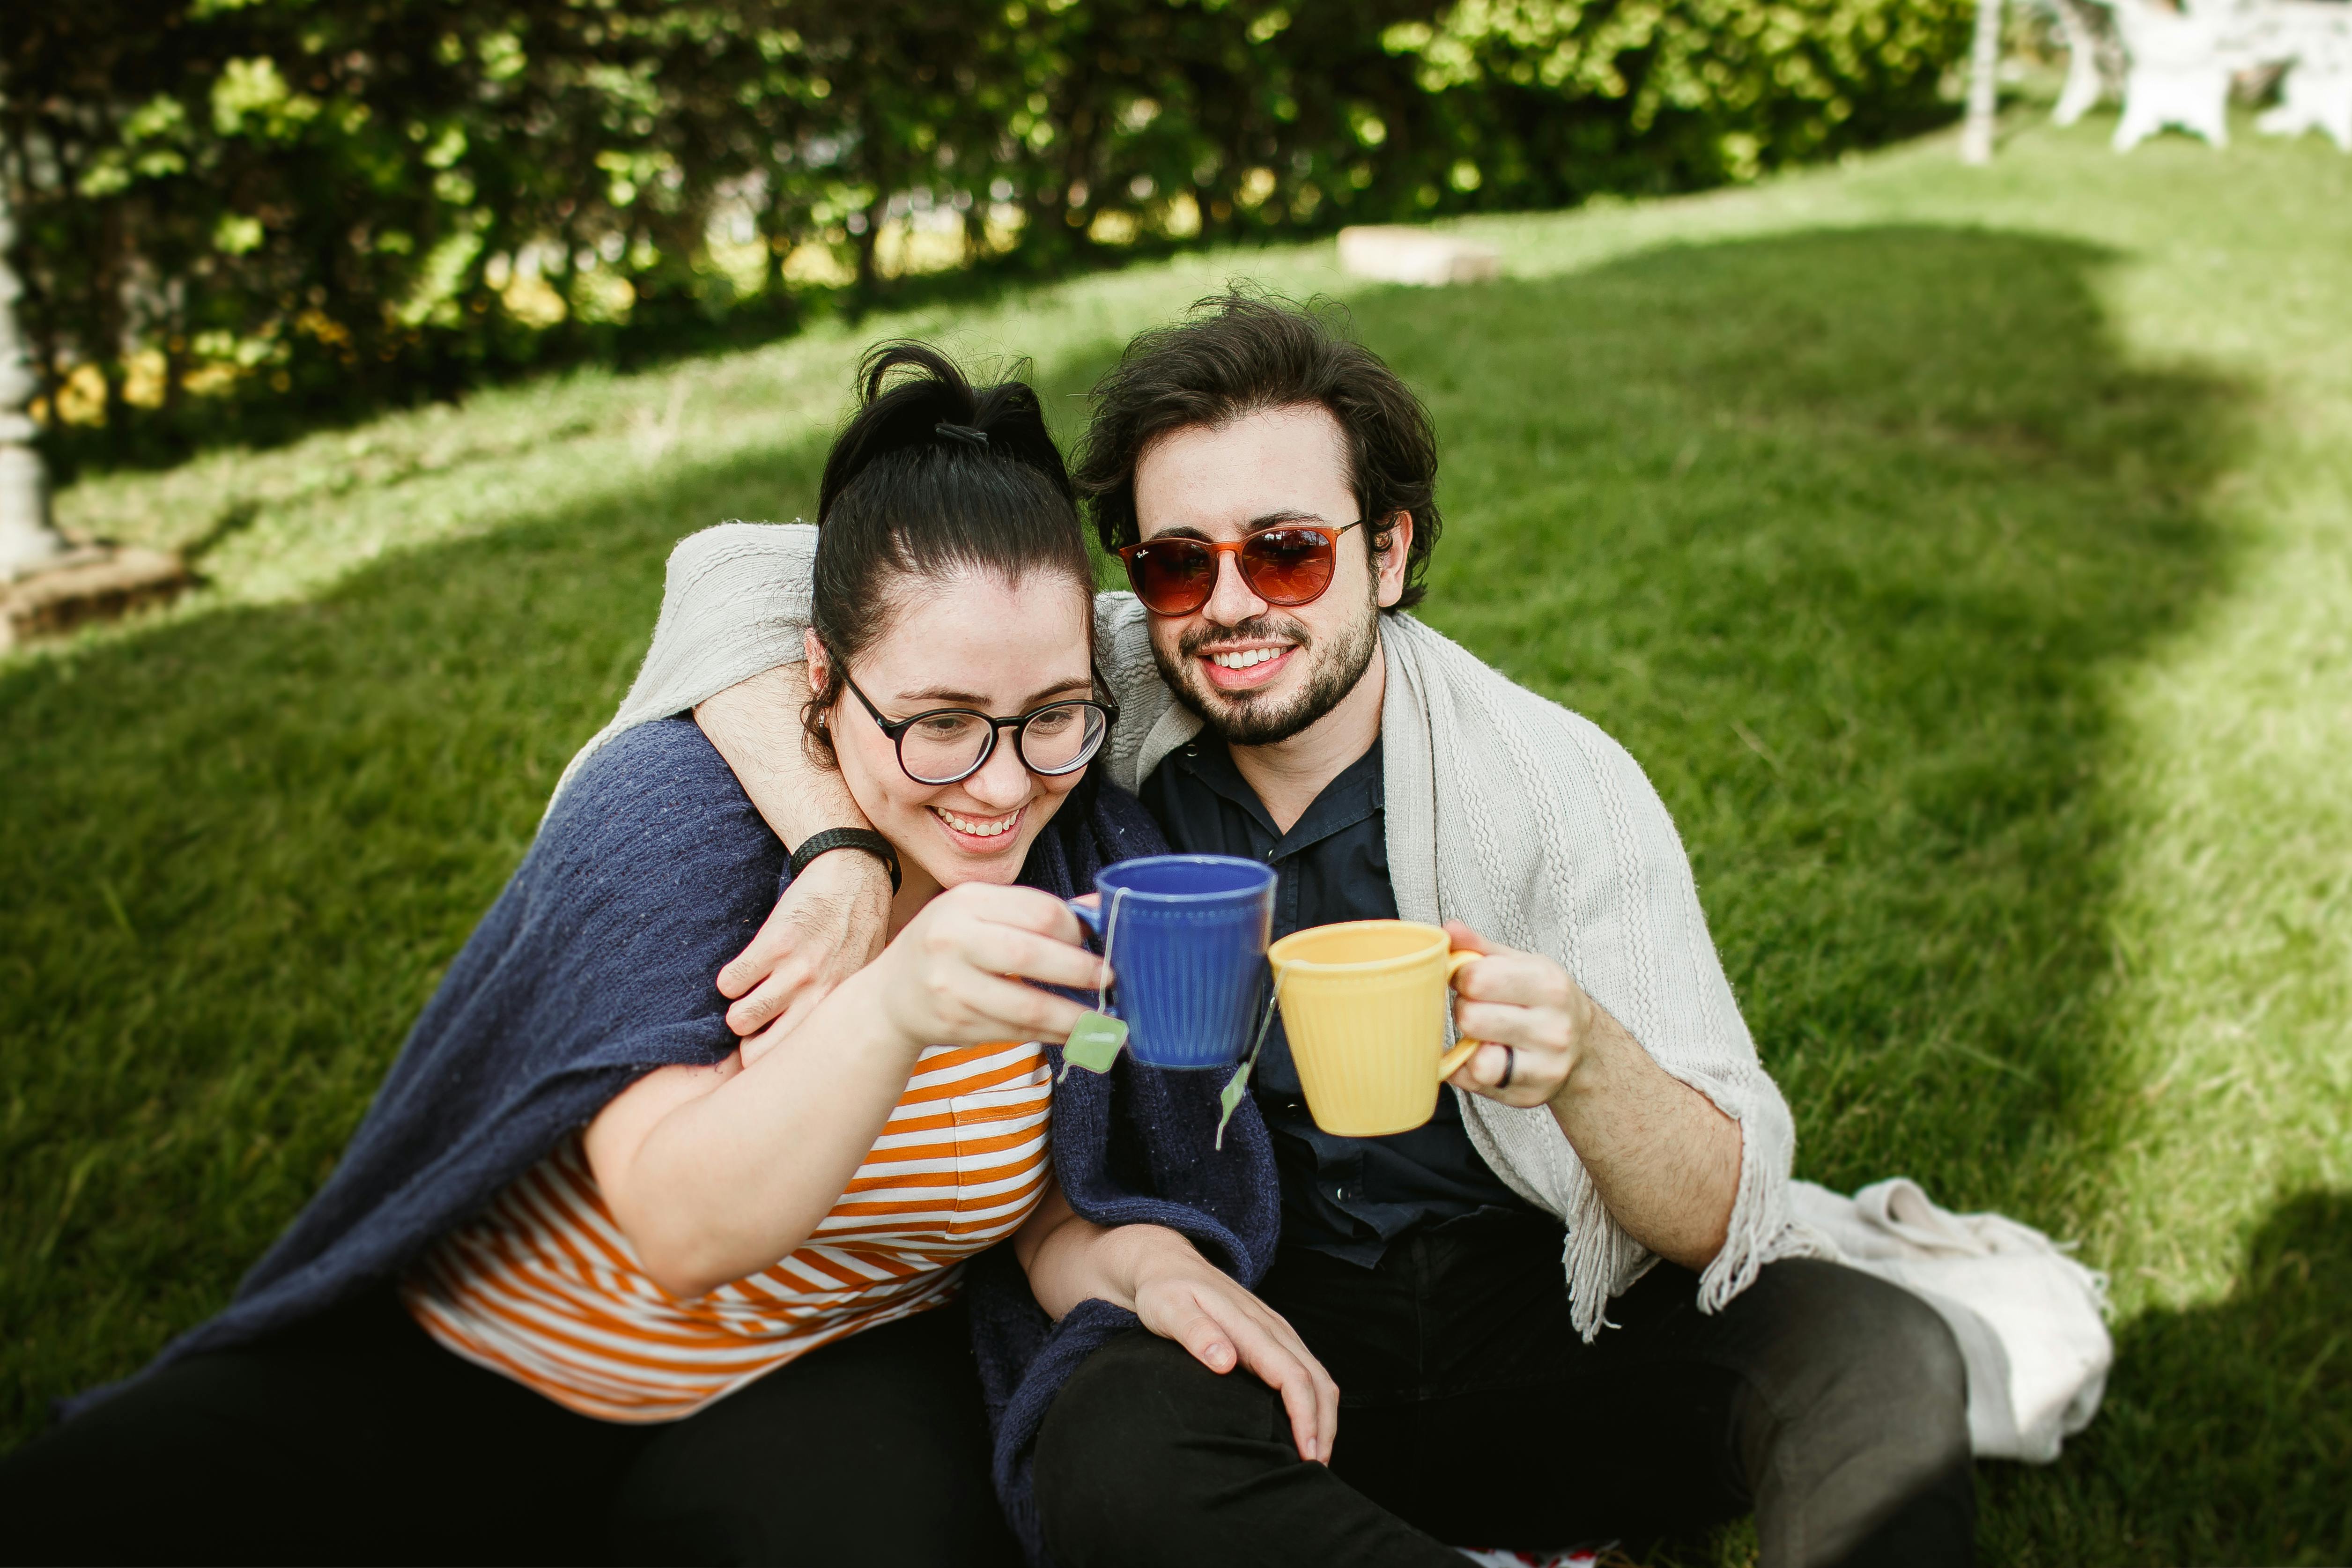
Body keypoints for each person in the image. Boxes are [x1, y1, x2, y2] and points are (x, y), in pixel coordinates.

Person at [548, 294, 1978, 1567]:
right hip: (1255, 1309)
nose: (1230, 605)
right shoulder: (1089, 699)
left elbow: (1725, 1212)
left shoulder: (1557, 787)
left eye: (1289, 552)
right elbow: (744, 577)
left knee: (1872, 1353)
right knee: (1103, 1448)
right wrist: (842, 847)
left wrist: (1593, 1064)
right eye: (1178, 563)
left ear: (1391, 551)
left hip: (1534, 1316)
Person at [0, 344, 1322, 1567]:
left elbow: (1039, 1190)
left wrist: (1141, 1259)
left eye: (1053, 717)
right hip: (489, 1360)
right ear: (820, 671)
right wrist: (898, 1004)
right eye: (939, 721)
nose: (1000, 781)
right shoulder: (679, 813)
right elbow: (684, 1228)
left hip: (817, 1375)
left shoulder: (1091, 848)